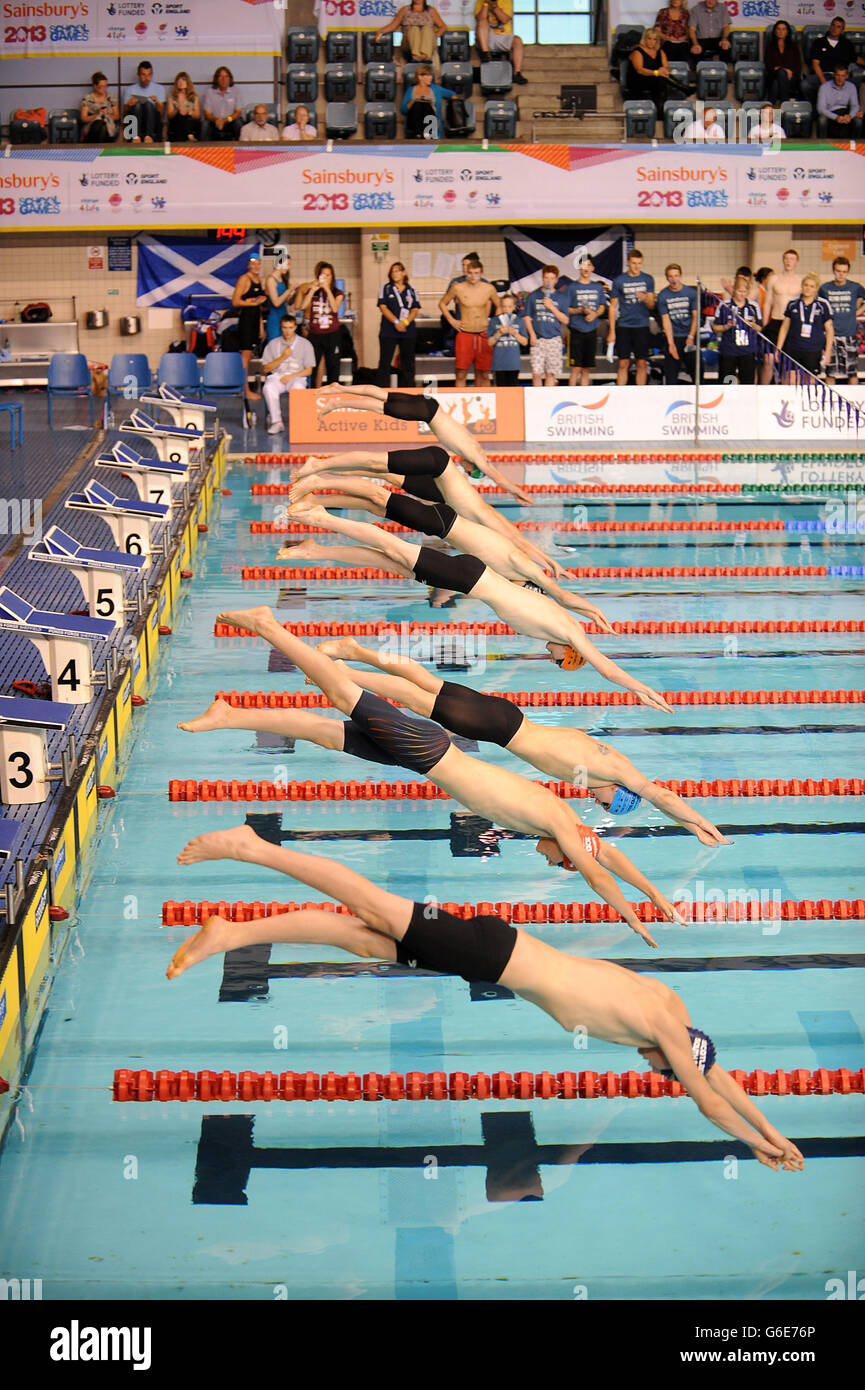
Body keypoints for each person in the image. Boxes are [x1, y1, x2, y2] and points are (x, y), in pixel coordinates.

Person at [168, 826, 804, 1171]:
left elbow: (719, 1078)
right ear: (674, 1057)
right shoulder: (662, 1030)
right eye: (663, 1071)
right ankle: (251, 848)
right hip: (491, 956)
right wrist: (758, 1144)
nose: (651, 1070)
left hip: (497, 953)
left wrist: (773, 1131)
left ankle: (236, 932)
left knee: (361, 941)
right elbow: (710, 1100)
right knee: (367, 907)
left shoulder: (669, 1008)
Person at [201, 615, 678, 925]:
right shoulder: (559, 822)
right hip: (426, 750)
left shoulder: (562, 822)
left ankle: (232, 715)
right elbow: (599, 875)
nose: (547, 860)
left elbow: (609, 860)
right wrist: (632, 919)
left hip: (421, 758)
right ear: (571, 852)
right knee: (341, 694)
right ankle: (270, 628)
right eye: (557, 863)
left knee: (326, 733)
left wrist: (655, 898)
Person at [297, 636, 728, 846]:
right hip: (497, 727)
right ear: (618, 793)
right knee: (413, 692)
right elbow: (660, 795)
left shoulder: (602, 761)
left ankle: (351, 656)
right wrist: (699, 826)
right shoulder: (615, 770)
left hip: (503, 719)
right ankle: (334, 670)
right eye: (604, 802)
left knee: (420, 683)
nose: (594, 801)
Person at [285, 499, 672, 710]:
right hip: (471, 580)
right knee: (393, 548)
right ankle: (320, 516)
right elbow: (606, 669)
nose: (549, 658)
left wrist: (590, 609)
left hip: (473, 578)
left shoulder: (558, 622)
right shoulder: (567, 631)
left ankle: (315, 549)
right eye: (557, 660)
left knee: (391, 560)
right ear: (569, 652)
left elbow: (564, 596)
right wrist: (640, 689)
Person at [284, 475, 611, 626]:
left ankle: (319, 502)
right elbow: (560, 595)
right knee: (380, 499)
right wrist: (590, 612)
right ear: (530, 585)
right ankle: (320, 481)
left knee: (378, 508)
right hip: (445, 521)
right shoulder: (520, 567)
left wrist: (550, 563)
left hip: (443, 526)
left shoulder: (510, 574)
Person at [302, 385, 537, 506]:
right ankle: (337, 400)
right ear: (472, 468)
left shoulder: (473, 447)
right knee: (377, 405)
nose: (463, 467)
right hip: (426, 412)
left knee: (382, 396)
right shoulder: (477, 457)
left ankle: (338, 390)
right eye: (467, 470)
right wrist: (519, 493)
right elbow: (498, 478)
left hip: (429, 407)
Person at [438, 258, 500, 388]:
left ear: (481, 273)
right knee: (461, 373)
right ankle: (460, 404)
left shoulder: (489, 289)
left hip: (483, 334)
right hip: (465, 333)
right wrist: (452, 321)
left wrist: (494, 324)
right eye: (470, 273)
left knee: (483, 373)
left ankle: (485, 405)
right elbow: (442, 303)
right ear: (466, 273)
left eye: (476, 273)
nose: (473, 276)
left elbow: (499, 306)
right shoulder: (458, 288)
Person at [608, 249, 656, 387]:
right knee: (623, 363)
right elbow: (612, 307)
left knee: (641, 362)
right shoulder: (619, 280)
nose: (636, 267)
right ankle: (620, 392)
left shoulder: (648, 279)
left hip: (642, 326)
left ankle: (640, 393)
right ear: (628, 262)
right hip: (624, 326)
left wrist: (646, 298)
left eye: (639, 263)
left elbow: (652, 304)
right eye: (634, 263)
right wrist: (612, 331)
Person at [261, 315, 315, 434]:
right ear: (281, 328)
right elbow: (265, 369)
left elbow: (309, 370)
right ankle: (276, 422)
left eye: (290, 327)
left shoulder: (305, 344)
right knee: (268, 388)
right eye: (284, 328)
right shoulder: (273, 344)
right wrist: (282, 357)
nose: (287, 331)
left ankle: (299, 422)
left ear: (295, 327)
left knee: (298, 388)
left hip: (296, 376)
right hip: (277, 376)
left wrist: (291, 377)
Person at [775, 273, 834, 380]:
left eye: (812, 286)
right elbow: (784, 328)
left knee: (810, 384)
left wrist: (828, 352)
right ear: (802, 286)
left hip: (813, 349)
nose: (808, 288)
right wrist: (778, 349)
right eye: (806, 285)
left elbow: (829, 330)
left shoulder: (823, 305)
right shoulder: (793, 303)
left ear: (816, 288)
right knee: (790, 381)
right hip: (793, 347)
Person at [297, 261, 345, 386]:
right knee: (313, 365)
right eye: (323, 275)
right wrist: (312, 290)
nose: (325, 278)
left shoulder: (337, 292)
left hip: (332, 333)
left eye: (328, 275)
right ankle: (313, 393)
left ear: (332, 277)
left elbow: (335, 308)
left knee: (333, 366)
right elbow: (303, 306)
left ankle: (333, 394)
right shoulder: (313, 291)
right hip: (315, 334)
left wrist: (327, 289)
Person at [819, 256, 865, 386]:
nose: (841, 274)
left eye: (844, 272)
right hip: (831, 336)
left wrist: (858, 312)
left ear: (848, 272)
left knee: (852, 372)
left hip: (849, 334)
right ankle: (829, 403)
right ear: (833, 270)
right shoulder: (825, 288)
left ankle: (854, 403)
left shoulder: (855, 287)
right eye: (838, 271)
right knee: (830, 372)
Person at [523, 265, 568, 387]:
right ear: (542, 278)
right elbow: (527, 316)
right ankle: (537, 399)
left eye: (552, 278)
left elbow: (565, 319)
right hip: (538, 339)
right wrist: (532, 335)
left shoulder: (562, 297)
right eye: (546, 278)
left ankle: (547, 400)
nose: (549, 281)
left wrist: (552, 307)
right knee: (536, 373)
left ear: (556, 280)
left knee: (550, 373)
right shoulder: (533, 295)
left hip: (554, 339)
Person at [803, 17, 865, 106]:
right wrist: (824, 83)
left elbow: (856, 59)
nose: (834, 28)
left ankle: (857, 112)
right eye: (833, 25)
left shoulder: (847, 44)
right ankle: (813, 109)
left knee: (861, 84)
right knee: (805, 84)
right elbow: (815, 64)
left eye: (838, 27)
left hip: (841, 77)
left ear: (842, 30)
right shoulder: (819, 42)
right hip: (823, 75)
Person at [231, 254, 267, 407]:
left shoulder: (260, 280)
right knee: (245, 358)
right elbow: (235, 301)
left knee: (249, 356)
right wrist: (252, 304)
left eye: (258, 263)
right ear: (248, 265)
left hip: (255, 320)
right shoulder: (244, 279)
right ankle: (245, 390)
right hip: (246, 320)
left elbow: (258, 305)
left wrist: (261, 326)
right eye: (253, 263)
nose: (256, 266)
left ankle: (243, 388)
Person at [377, 262, 421, 387]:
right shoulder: (385, 288)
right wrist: (396, 322)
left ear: (403, 273)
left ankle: (408, 390)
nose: (395, 274)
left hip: (407, 330)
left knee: (408, 362)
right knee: (385, 361)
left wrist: (405, 322)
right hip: (389, 330)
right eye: (393, 271)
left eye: (398, 271)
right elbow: (383, 307)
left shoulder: (411, 290)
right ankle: (383, 390)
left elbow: (415, 309)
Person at [713, 273, 761, 384]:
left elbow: (760, 328)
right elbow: (715, 327)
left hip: (747, 351)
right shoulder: (724, 305)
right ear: (734, 290)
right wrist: (726, 326)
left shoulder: (753, 306)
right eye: (739, 291)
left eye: (744, 292)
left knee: (747, 383)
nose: (742, 294)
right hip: (729, 351)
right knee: (727, 383)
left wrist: (753, 325)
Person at [761, 248, 800, 383]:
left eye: (792, 259)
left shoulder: (801, 281)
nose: (789, 262)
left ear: (797, 262)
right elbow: (767, 302)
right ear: (783, 261)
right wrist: (765, 323)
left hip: (792, 324)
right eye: (786, 259)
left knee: (787, 363)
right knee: (768, 359)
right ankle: (763, 391)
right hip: (775, 321)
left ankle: (784, 395)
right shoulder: (774, 279)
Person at [566, 257, 607, 387]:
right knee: (575, 368)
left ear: (592, 268)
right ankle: (571, 397)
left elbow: (602, 306)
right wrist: (580, 310)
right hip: (576, 331)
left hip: (591, 331)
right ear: (579, 268)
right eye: (583, 266)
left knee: (586, 368)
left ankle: (584, 399)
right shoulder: (572, 287)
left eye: (588, 265)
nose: (585, 268)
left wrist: (595, 314)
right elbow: (566, 309)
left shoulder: (597, 287)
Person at [376, 0, 446, 71]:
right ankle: (416, 56)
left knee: (427, 29)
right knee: (414, 29)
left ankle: (425, 56)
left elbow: (443, 26)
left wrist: (435, 36)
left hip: (428, 45)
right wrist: (380, 31)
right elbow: (393, 25)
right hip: (408, 44)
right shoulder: (405, 10)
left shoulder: (431, 10)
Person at [657, 263, 698, 385]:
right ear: (667, 278)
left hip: (689, 335)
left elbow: (695, 317)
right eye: (670, 276)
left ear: (680, 276)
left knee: (696, 372)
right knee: (671, 375)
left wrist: (691, 337)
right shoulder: (663, 295)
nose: (674, 279)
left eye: (676, 276)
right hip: (674, 336)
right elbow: (666, 320)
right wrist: (671, 344)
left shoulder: (691, 293)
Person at [475, 1, 528, 84]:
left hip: (503, 35)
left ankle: (517, 73)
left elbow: (505, 19)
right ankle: (485, 53)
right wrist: (485, 4)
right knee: (482, 22)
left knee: (517, 41)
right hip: (485, 38)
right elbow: (480, 18)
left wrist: (493, 5)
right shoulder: (480, 1)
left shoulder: (506, 1)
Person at [628, 27, 670, 121]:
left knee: (663, 79)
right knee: (661, 80)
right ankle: (660, 113)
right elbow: (640, 70)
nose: (652, 41)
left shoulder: (660, 52)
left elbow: (667, 66)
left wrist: (664, 69)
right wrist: (656, 72)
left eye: (654, 39)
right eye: (649, 38)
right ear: (645, 39)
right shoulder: (637, 52)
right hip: (639, 80)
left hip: (655, 79)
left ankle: (660, 112)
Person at [487, 292, 528, 386]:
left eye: (509, 307)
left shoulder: (519, 320)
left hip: (513, 363)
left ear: (514, 307)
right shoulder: (494, 321)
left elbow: (525, 342)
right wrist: (499, 333)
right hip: (499, 364)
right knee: (500, 391)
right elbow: (489, 342)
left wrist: (515, 334)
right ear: (501, 307)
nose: (506, 309)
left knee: (512, 390)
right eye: (504, 306)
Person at [400, 63, 450, 138]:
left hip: (431, 120)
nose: (431, 78)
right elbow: (403, 110)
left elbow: (452, 94)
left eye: (431, 75)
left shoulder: (436, 89)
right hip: (415, 122)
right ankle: (418, 133)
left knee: (426, 105)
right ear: (420, 77)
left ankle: (427, 133)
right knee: (418, 104)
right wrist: (414, 100)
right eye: (428, 75)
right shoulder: (411, 90)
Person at [816, 66, 863, 140]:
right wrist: (836, 117)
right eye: (838, 75)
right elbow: (821, 109)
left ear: (846, 76)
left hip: (845, 112)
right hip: (830, 113)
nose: (840, 78)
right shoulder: (824, 87)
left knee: (858, 121)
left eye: (843, 76)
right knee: (822, 120)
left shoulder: (851, 86)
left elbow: (855, 105)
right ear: (834, 75)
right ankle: (822, 145)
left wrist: (850, 116)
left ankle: (855, 145)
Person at [123, 60, 165, 144]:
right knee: (138, 105)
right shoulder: (130, 89)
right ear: (138, 75)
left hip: (152, 122)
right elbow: (125, 113)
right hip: (135, 121)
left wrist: (156, 102)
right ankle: (135, 136)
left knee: (148, 105)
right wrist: (129, 104)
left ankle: (149, 136)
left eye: (149, 75)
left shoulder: (159, 88)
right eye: (143, 75)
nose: (147, 78)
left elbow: (161, 113)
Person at [764, 20, 802, 105]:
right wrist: (784, 70)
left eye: (783, 29)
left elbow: (798, 65)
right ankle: (785, 103)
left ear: (787, 32)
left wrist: (790, 72)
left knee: (776, 84)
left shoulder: (793, 46)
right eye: (778, 29)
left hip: (791, 78)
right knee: (780, 73)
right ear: (775, 31)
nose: (781, 32)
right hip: (774, 75)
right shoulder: (770, 47)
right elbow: (769, 65)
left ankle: (770, 106)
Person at [204, 65, 242, 141]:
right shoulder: (209, 92)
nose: (223, 79)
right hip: (215, 121)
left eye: (226, 76)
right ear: (216, 79)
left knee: (238, 123)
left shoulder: (236, 91)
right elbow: (207, 114)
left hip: (230, 120)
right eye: (221, 77)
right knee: (205, 124)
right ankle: (204, 151)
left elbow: (238, 112)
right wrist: (216, 120)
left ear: (230, 79)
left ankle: (240, 149)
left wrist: (225, 120)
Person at [264, 255, 296, 344]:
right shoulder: (271, 279)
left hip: (284, 318)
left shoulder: (283, 279)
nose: (289, 268)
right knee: (275, 347)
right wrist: (289, 289)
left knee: (286, 346)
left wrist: (296, 292)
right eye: (287, 264)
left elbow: (288, 301)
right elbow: (276, 303)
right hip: (275, 319)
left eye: (289, 265)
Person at [80, 72, 119, 143]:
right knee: (99, 123)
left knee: (103, 125)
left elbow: (117, 116)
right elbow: (83, 118)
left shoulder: (111, 98)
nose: (104, 89)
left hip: (109, 124)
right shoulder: (88, 98)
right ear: (95, 86)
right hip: (92, 125)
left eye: (106, 86)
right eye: (101, 86)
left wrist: (107, 114)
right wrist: (97, 114)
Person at [166, 72, 201, 142]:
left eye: (183, 80)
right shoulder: (172, 96)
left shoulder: (193, 97)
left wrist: (189, 111)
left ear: (187, 82)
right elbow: (169, 115)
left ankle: (189, 135)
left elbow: (198, 115)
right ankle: (189, 135)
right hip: (176, 121)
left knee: (187, 117)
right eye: (179, 81)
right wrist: (177, 110)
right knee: (180, 116)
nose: (181, 83)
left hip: (190, 121)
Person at [655, 1, 690, 66]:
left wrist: (682, 38)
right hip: (666, 41)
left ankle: (682, 72)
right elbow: (657, 31)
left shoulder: (686, 13)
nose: (674, 0)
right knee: (670, 46)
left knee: (682, 48)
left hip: (681, 42)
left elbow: (689, 32)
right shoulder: (663, 12)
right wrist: (668, 38)